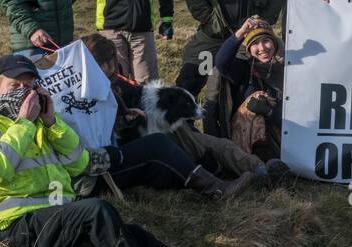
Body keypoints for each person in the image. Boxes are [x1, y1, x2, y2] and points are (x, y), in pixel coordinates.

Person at [0, 54, 253, 247]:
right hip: (7, 226)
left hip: (49, 212)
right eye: (14, 86)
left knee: (134, 233)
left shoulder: (39, 121)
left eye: (29, 86)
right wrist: (24, 124)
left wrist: (50, 122)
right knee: (96, 211)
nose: (22, 93)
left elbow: (77, 162)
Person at [80, 33, 288, 188]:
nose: (114, 68)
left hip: (155, 135)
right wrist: (126, 121)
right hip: (122, 157)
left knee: (214, 144)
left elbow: (134, 95)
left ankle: (260, 170)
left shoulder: (114, 84)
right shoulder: (80, 94)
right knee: (189, 149)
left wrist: (131, 112)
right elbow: (99, 132)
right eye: (110, 64)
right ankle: (220, 183)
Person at [214, 17, 286, 159]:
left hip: (276, 137)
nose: (262, 48)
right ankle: (249, 164)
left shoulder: (286, 71)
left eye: (266, 40)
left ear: (274, 42)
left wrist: (270, 112)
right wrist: (240, 33)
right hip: (245, 139)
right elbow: (221, 63)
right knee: (256, 99)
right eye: (255, 44)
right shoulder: (243, 69)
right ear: (248, 48)